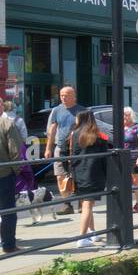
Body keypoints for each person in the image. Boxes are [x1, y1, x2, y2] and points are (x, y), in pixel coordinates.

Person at [0, 95, 24, 254]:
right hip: (2, 174)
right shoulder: (6, 123)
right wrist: (15, 171)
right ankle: (8, 246)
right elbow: (16, 151)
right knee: (7, 212)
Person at [68, 110, 109, 247]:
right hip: (95, 174)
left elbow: (63, 152)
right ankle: (82, 237)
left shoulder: (73, 134)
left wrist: (71, 168)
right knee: (87, 205)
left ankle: (92, 232)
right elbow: (106, 158)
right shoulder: (100, 136)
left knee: (87, 204)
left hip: (78, 174)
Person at [45, 85, 85, 215]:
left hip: (78, 148)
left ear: (74, 96)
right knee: (60, 176)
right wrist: (48, 148)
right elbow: (52, 129)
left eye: (66, 95)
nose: (63, 98)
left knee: (78, 176)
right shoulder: (57, 110)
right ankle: (66, 204)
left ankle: (81, 203)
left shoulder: (82, 111)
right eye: (62, 95)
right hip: (61, 147)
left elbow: (88, 130)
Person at [122, 108, 138, 212]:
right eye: (123, 115)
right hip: (123, 157)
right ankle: (125, 203)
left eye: (127, 115)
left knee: (136, 181)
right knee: (124, 181)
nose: (125, 117)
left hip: (134, 157)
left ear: (131, 115)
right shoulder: (120, 128)